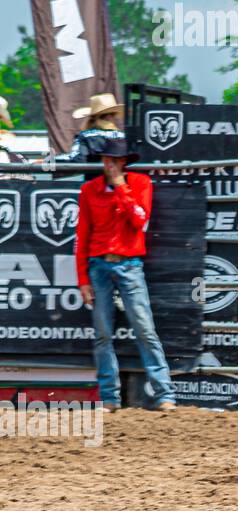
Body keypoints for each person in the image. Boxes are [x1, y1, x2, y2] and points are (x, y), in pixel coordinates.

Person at [75, 136, 176, 412]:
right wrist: (83, 279)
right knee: (103, 333)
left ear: (123, 163)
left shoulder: (140, 184)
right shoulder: (89, 190)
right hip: (99, 265)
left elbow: (139, 219)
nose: (110, 164)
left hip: (129, 263)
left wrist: (121, 187)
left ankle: (164, 393)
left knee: (144, 329)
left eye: (115, 160)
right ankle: (109, 398)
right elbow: (82, 235)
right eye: (107, 159)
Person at [52, 93, 126, 163]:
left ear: (93, 117)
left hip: (94, 176)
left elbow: (78, 159)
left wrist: (52, 160)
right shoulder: (123, 136)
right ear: (112, 116)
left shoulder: (85, 136)